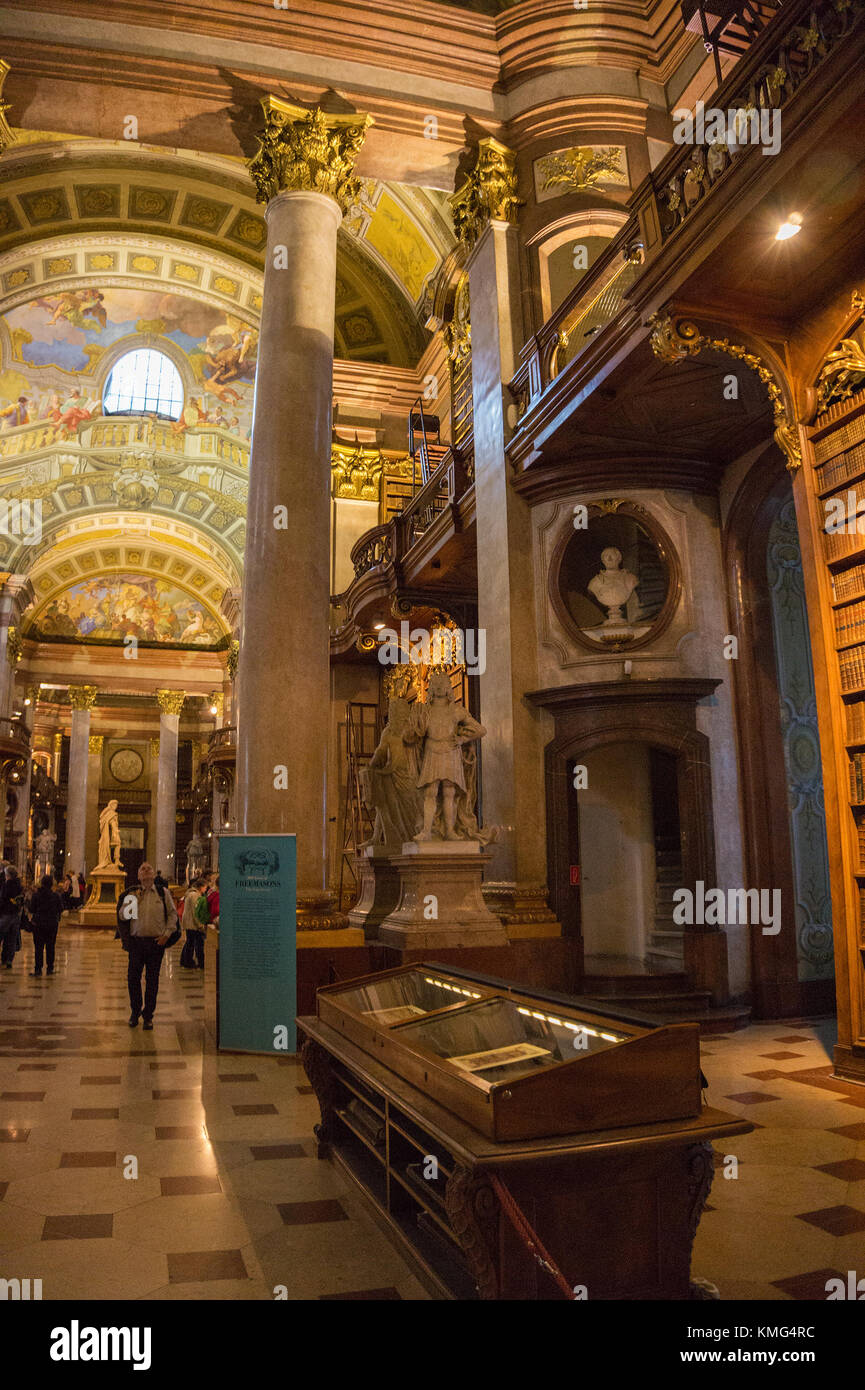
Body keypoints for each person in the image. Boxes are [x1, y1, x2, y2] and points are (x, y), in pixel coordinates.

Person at [117, 861, 180, 1030]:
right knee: (133, 979)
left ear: (153, 875)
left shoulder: (162, 892)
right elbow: (122, 917)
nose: (145, 871)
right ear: (138, 876)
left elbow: (173, 915)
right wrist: (133, 902)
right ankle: (135, 1011)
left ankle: (148, 1015)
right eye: (142, 869)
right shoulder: (132, 893)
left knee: (152, 981)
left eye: (148, 869)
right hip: (137, 943)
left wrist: (167, 934)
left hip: (155, 943)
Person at [30, 875, 63, 977]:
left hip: (39, 923)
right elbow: (60, 908)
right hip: (52, 924)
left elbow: (32, 909)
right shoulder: (56, 896)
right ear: (51, 884)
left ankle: (38, 969)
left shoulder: (36, 895)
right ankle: (50, 968)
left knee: (38, 947)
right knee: (50, 946)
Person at [0, 864, 26, 969]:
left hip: (6, 914)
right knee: (11, 939)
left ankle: (3, 958)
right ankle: (9, 960)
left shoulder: (6, 885)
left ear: (8, 875)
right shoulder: (20, 886)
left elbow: (2, 900)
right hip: (16, 915)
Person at [179, 876, 206, 969]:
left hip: (189, 922)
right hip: (192, 923)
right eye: (205, 887)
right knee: (192, 944)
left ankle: (185, 960)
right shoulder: (195, 895)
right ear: (201, 886)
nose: (205, 889)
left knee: (189, 942)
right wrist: (200, 925)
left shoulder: (191, 893)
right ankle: (188, 962)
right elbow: (196, 911)